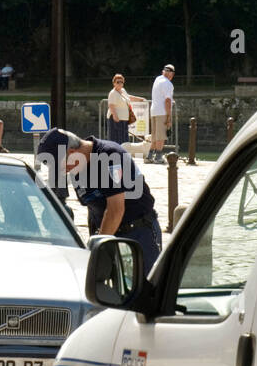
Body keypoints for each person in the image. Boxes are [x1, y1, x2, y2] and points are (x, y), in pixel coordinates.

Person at [37, 128, 162, 273]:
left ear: (71, 153)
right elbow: (93, 206)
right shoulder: (77, 167)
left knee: (143, 289)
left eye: (60, 165)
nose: (63, 171)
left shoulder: (110, 155)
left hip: (138, 234)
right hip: (109, 235)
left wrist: (98, 249)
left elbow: (115, 209)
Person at [148, 63, 175, 163]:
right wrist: (168, 117)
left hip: (154, 111)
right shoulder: (168, 84)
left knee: (155, 135)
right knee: (161, 135)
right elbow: (167, 101)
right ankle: (158, 157)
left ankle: (149, 156)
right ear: (171, 74)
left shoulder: (158, 79)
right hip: (162, 111)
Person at [105, 73, 139, 147]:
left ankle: (122, 155)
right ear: (114, 83)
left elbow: (128, 97)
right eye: (118, 82)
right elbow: (111, 105)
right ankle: (113, 155)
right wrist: (115, 115)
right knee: (115, 139)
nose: (120, 83)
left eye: (121, 82)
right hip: (116, 119)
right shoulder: (112, 93)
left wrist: (140, 99)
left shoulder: (123, 91)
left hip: (124, 119)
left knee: (123, 139)